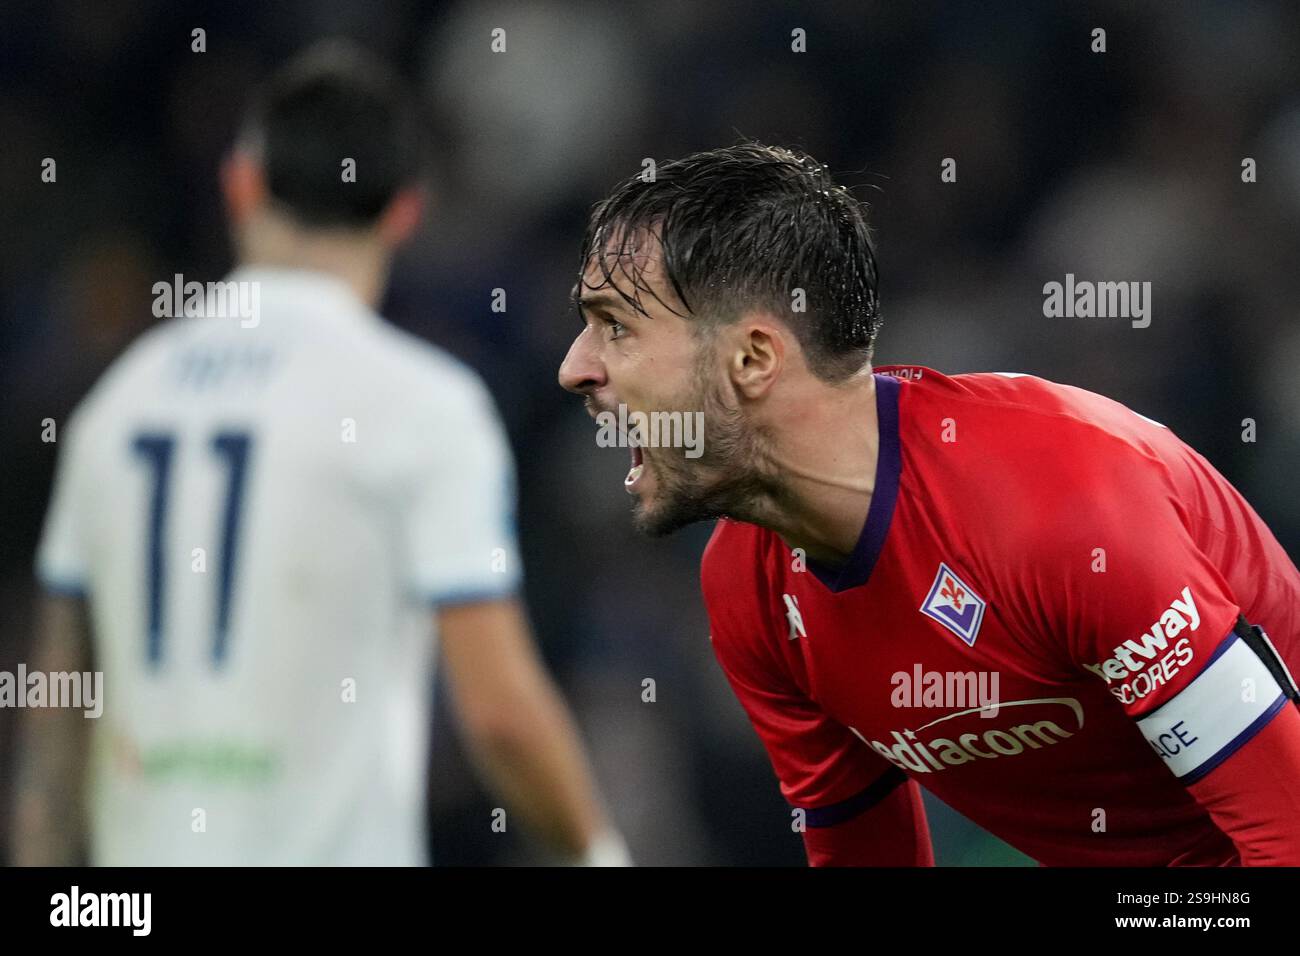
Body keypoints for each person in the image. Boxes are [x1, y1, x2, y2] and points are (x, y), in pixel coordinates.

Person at [559, 142, 1300, 865]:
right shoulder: (747, 589)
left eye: (616, 327)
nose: (574, 368)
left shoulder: (1061, 507)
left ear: (754, 358)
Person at [15, 41, 627, 866]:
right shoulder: (425, 406)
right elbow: (499, 714)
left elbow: (57, 704)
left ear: (240, 185)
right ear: (405, 210)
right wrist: (598, 850)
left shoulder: (115, 407)